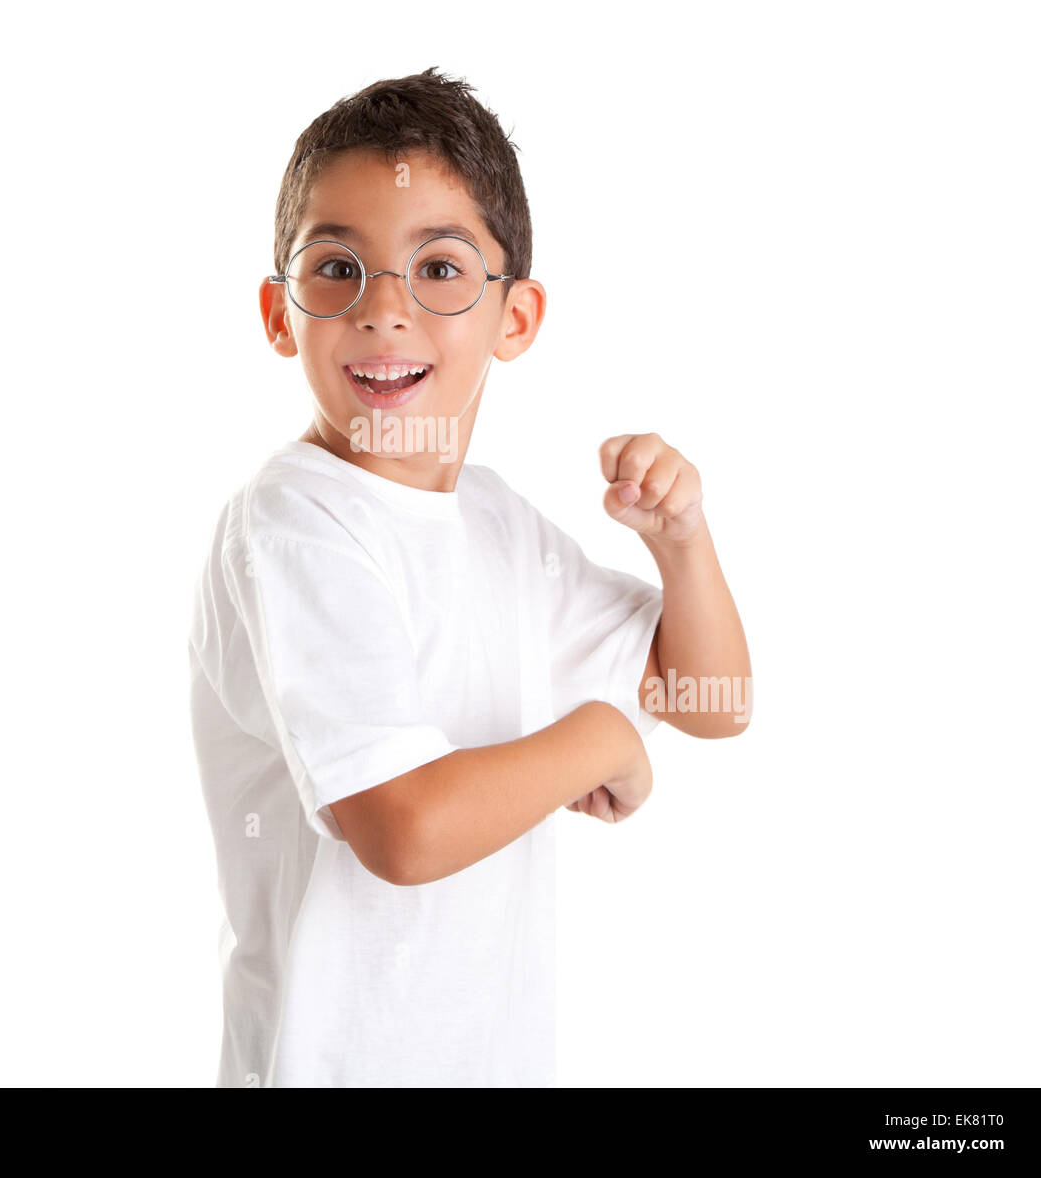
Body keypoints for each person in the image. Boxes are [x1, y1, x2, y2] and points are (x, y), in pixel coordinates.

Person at [188, 67, 752, 1087]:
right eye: (336, 268)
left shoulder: (498, 524)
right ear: (280, 313)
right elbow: (401, 825)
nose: (384, 311)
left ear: (517, 317)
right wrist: (599, 737)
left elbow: (709, 700)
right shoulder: (294, 520)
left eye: (439, 269)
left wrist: (681, 543)